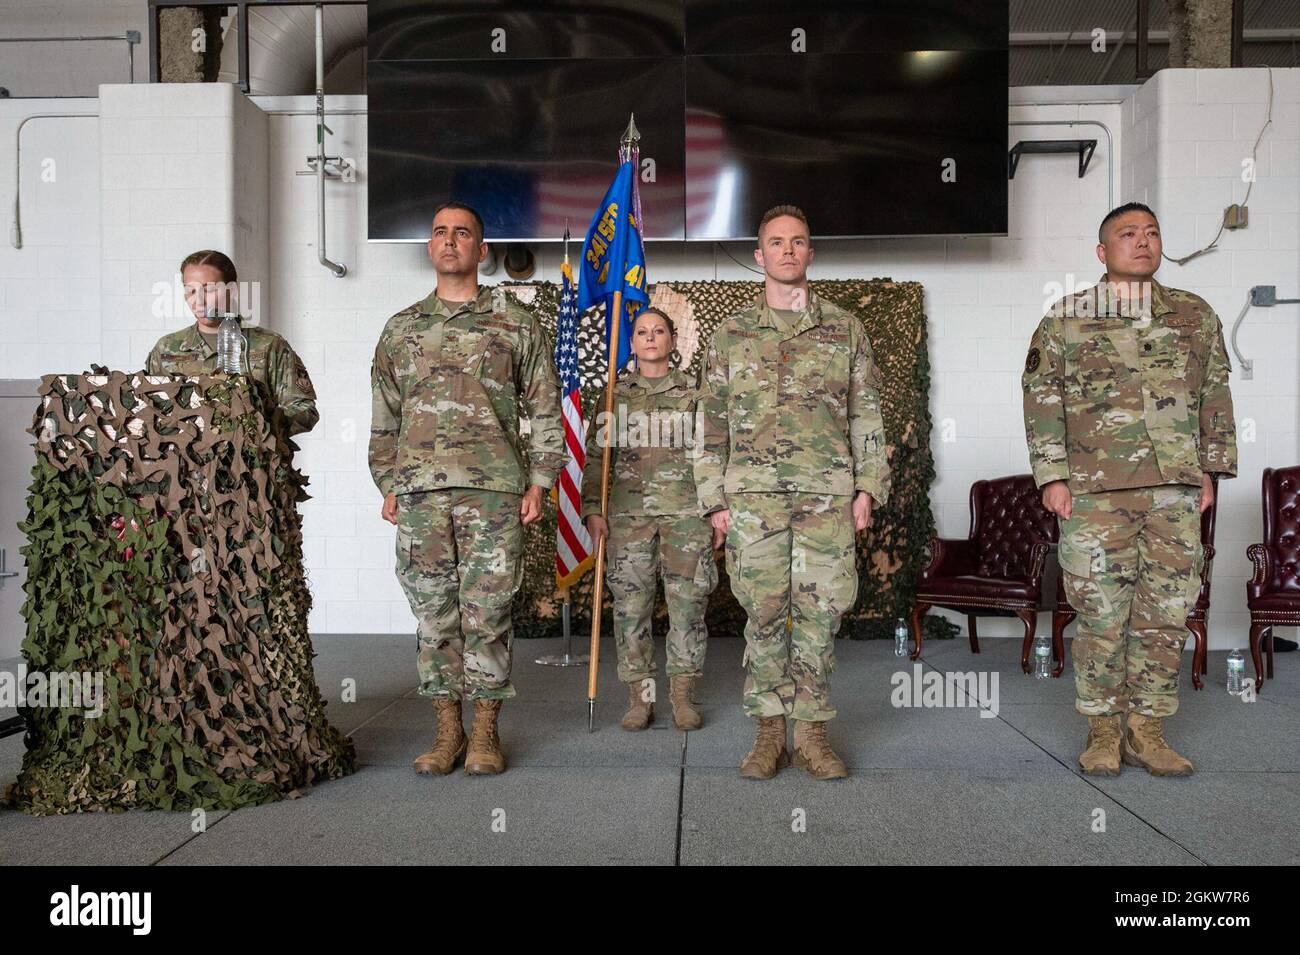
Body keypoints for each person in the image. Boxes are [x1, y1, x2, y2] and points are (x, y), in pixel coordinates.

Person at [1023, 201, 1237, 777]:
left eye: (1151, 232)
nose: (1142, 242)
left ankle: (1148, 731)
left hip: (1174, 490)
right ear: (1102, 251)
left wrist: (1210, 473)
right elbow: (1042, 401)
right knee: (1099, 614)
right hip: (1094, 493)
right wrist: (1052, 477)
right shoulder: (1066, 317)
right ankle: (1101, 731)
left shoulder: (1195, 315)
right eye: (1127, 234)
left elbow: (1215, 396)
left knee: (1166, 612)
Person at [694, 205, 890, 780]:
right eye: (775, 243)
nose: (786, 251)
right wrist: (716, 500)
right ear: (759, 256)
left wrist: (867, 489)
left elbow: (867, 416)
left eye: (797, 242)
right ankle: (766, 734)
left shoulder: (845, 328)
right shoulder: (731, 334)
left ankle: (812, 736)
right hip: (752, 501)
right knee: (764, 615)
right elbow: (710, 425)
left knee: (820, 615)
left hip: (827, 496)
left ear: (810, 253)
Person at [369, 201, 565, 776]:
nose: (450, 241)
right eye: (439, 232)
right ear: (430, 248)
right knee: (434, 614)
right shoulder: (401, 329)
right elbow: (384, 415)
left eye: (463, 233)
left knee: (489, 612)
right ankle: (446, 734)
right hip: (421, 494)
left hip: (495, 493)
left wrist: (541, 479)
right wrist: (388, 481)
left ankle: (484, 735)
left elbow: (546, 409)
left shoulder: (514, 324)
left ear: (482, 250)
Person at [583, 307, 718, 732]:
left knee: (688, 609)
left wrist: (715, 511)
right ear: (632, 342)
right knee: (631, 610)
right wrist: (593, 510)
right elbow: (596, 460)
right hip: (628, 517)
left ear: (673, 341)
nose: (651, 338)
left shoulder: (696, 395)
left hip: (686, 517)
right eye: (642, 332)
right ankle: (641, 700)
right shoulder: (613, 396)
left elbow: (712, 456)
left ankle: (682, 698)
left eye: (659, 331)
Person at [146, 249, 318, 436]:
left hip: (252, 460)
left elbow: (305, 409)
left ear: (232, 290)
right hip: (188, 462)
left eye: (209, 289)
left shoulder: (269, 345)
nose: (199, 301)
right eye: (191, 291)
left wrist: (262, 425)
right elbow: (147, 407)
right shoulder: (166, 348)